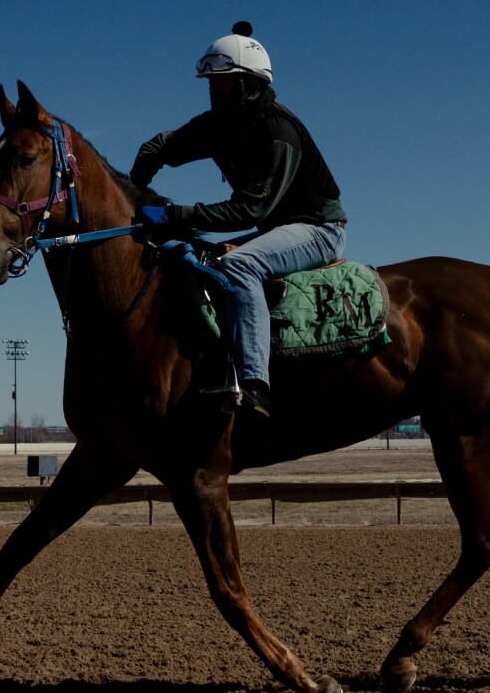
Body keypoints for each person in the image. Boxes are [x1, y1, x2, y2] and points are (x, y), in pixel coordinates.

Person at [129, 22, 347, 417]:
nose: (213, 89)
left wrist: (173, 214)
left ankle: (253, 384)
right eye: (211, 82)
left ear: (248, 85)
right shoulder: (219, 124)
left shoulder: (279, 132)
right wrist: (134, 191)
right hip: (275, 230)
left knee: (239, 266)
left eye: (222, 82)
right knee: (198, 261)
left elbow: (250, 211)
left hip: (318, 230)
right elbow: (161, 145)